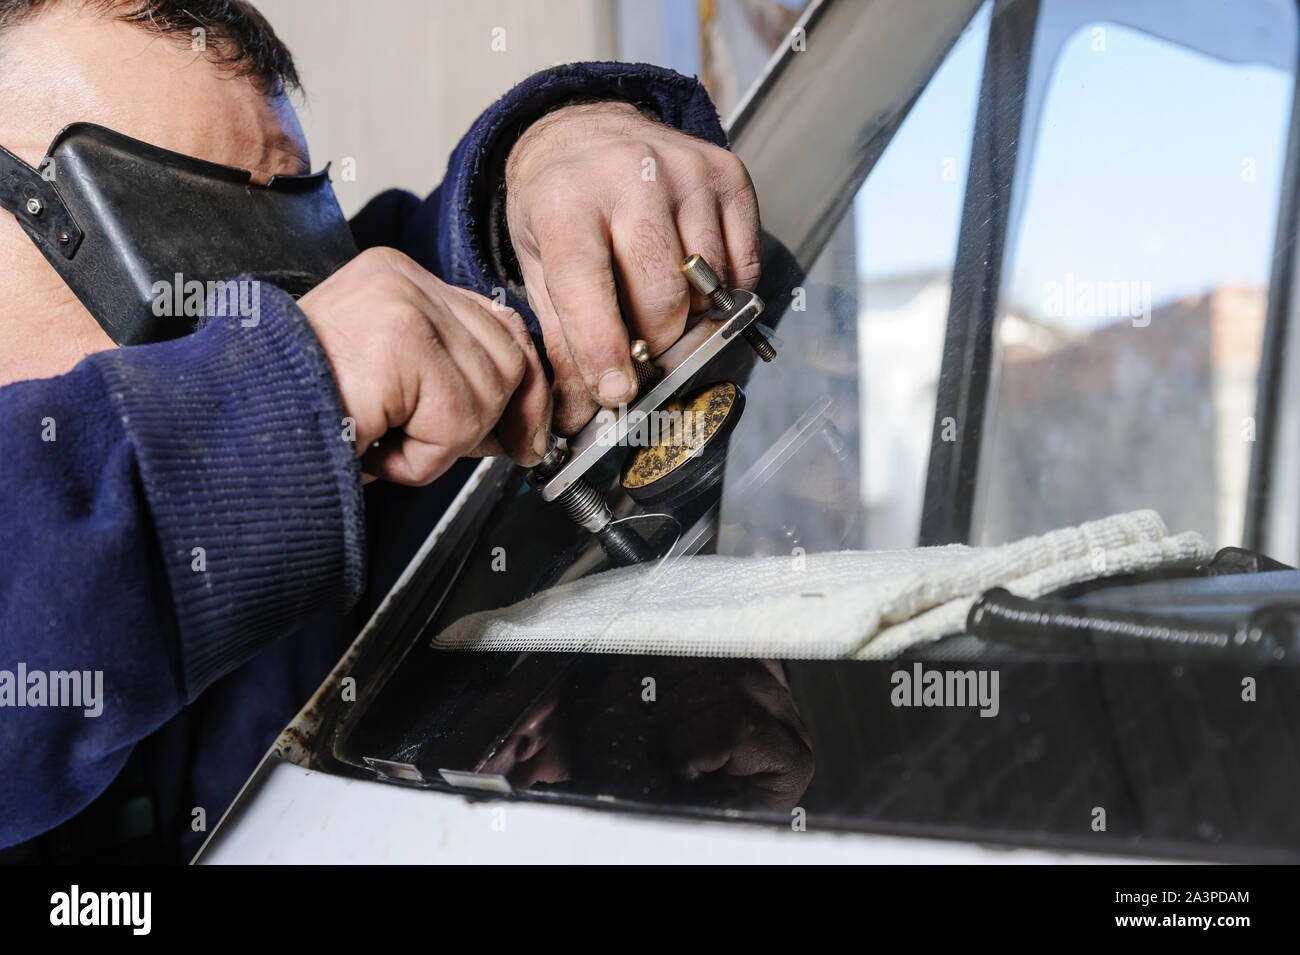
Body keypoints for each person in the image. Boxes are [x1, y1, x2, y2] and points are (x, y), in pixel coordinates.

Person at [0, 0, 761, 861]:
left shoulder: (319, 511)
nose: (230, 331)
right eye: (168, 248)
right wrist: (280, 400)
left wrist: (554, 156)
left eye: (283, 269)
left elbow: (444, 278)